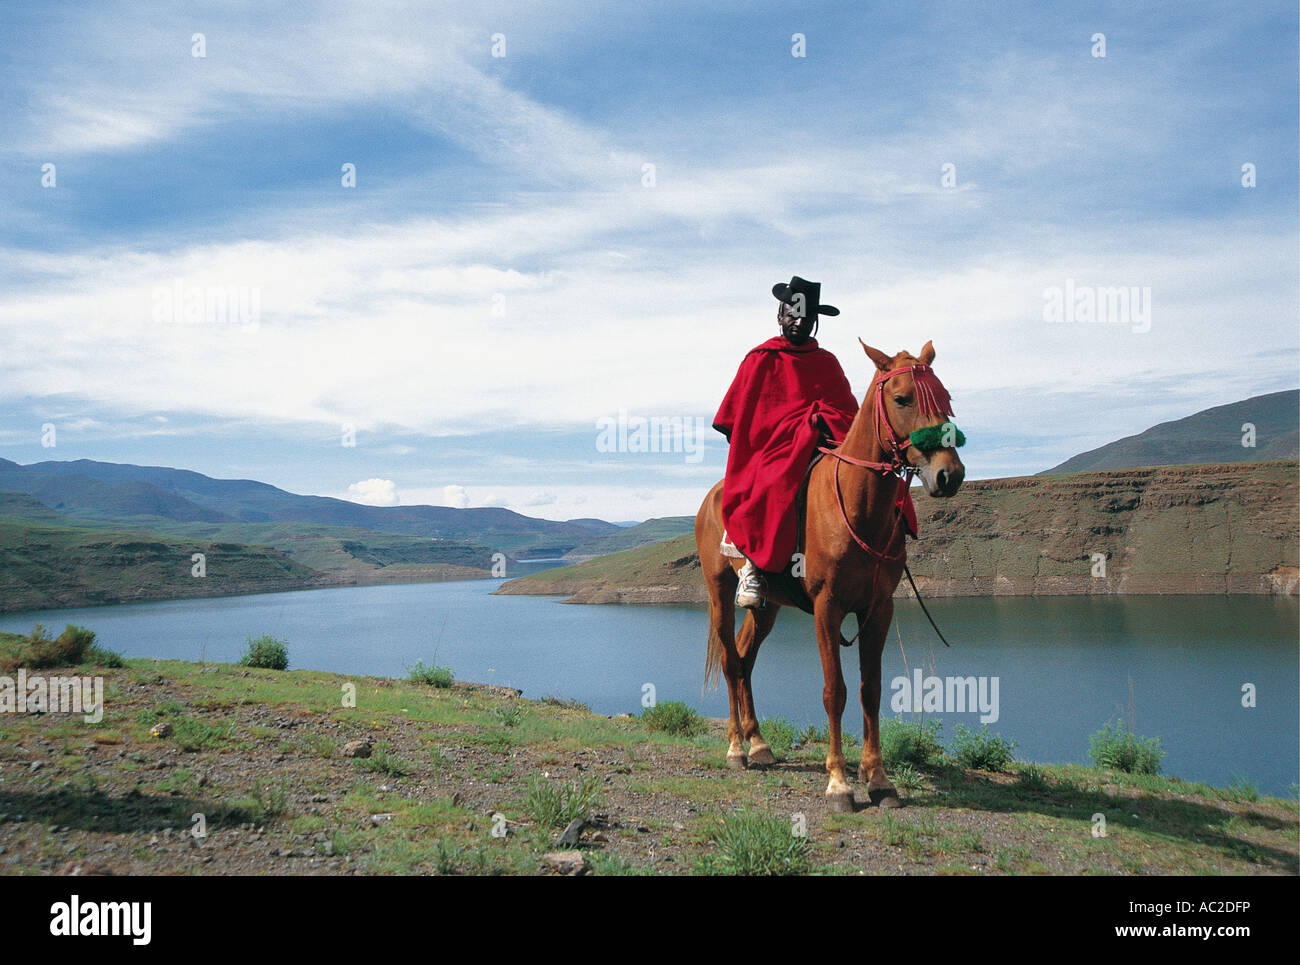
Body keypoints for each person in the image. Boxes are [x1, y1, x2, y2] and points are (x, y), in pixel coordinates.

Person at [712, 276, 859, 608]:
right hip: (769, 451)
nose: (798, 322)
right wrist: (762, 448)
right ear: (780, 316)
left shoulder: (828, 363)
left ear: (815, 322)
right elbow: (738, 421)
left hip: (823, 446)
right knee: (772, 483)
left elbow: (849, 416)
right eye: (791, 315)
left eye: (805, 318)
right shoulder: (760, 358)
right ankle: (752, 568)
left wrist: (820, 422)